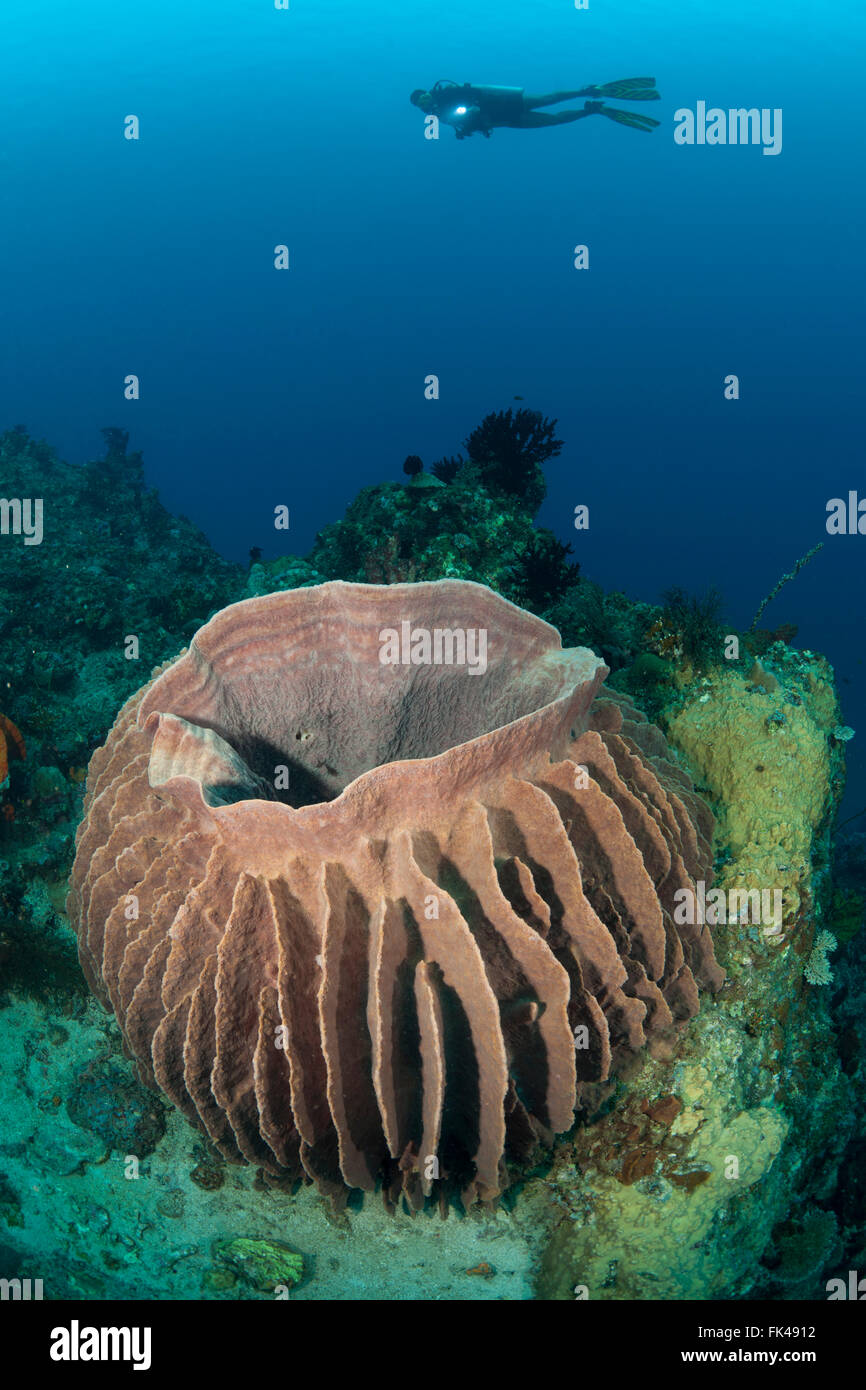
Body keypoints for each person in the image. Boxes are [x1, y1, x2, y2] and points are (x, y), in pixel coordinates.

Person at [410, 77, 661, 139]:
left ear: (428, 92)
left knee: (548, 99)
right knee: (554, 120)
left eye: (423, 96)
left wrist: (473, 106)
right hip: (506, 121)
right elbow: (465, 126)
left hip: (503, 104)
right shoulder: (440, 118)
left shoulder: (449, 92)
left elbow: (473, 92)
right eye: (419, 103)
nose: (424, 101)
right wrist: (465, 131)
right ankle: (592, 109)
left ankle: (585, 91)